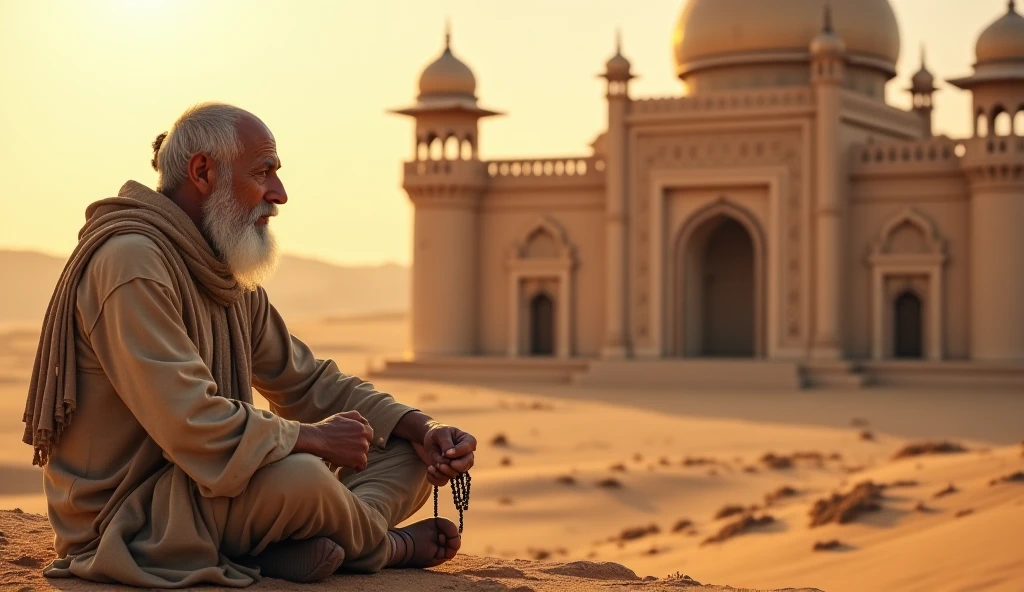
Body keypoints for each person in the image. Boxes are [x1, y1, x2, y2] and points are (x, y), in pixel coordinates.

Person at [21, 102, 477, 587]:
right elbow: (191, 422)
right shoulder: (132, 263)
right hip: (134, 517)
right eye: (264, 173)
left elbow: (306, 380)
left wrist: (420, 427)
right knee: (303, 478)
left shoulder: (224, 274)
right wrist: (312, 438)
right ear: (203, 172)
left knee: (406, 452)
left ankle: (296, 547)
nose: (279, 194)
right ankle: (383, 547)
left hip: (215, 493)